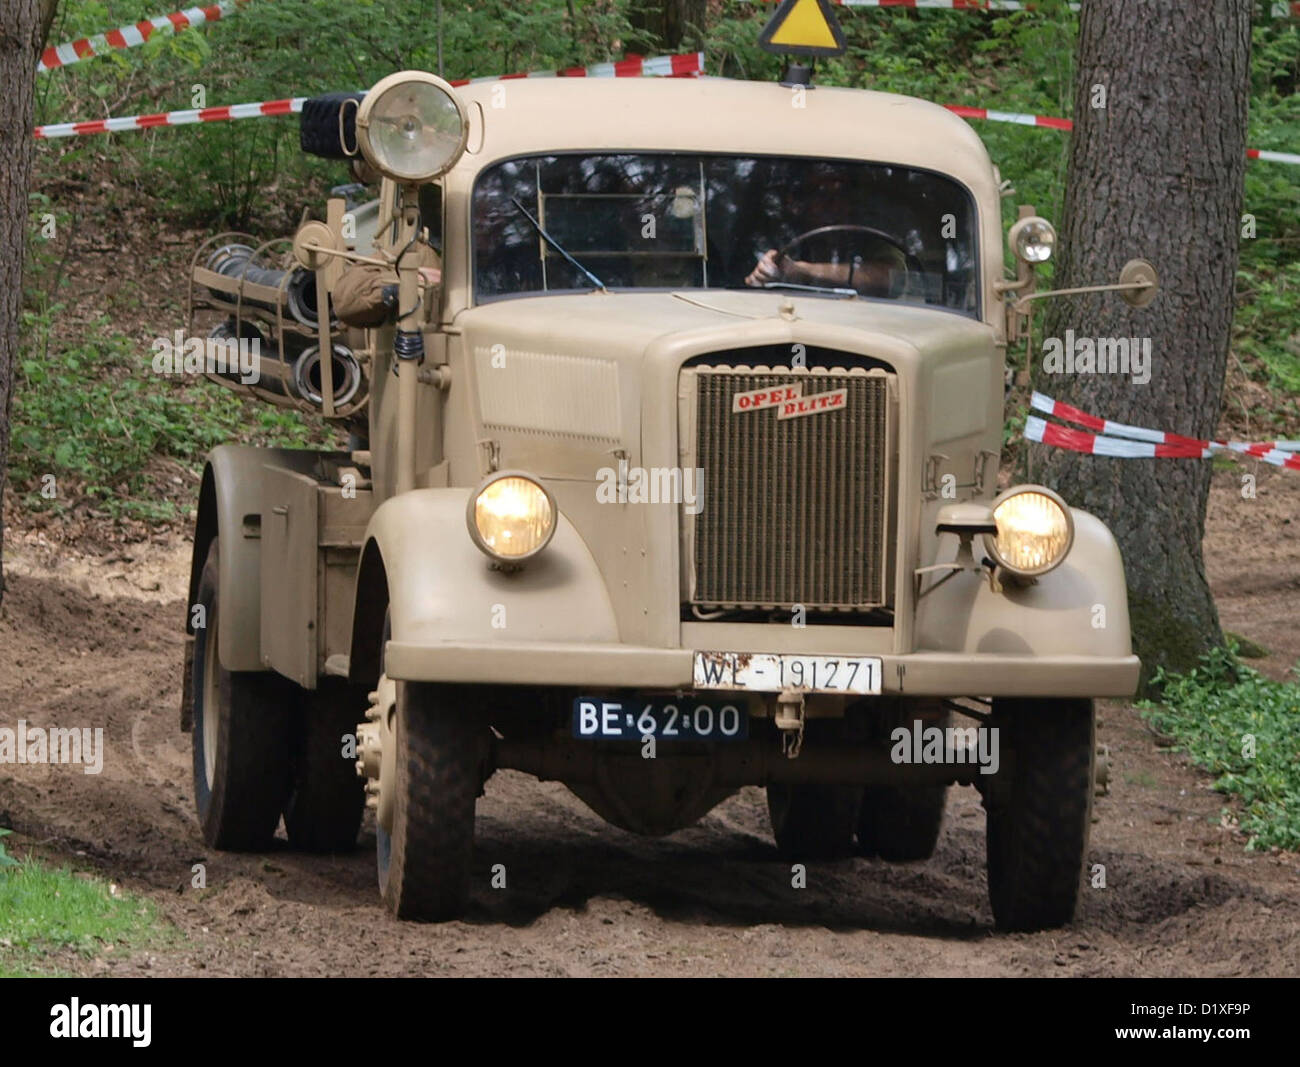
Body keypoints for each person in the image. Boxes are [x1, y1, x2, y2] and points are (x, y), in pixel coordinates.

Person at [744, 237, 908, 298]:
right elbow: (738, 286)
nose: (831, 204)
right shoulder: (775, 232)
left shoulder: (871, 238)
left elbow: (892, 279)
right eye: (819, 193)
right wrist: (763, 274)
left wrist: (803, 271)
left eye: (840, 194)